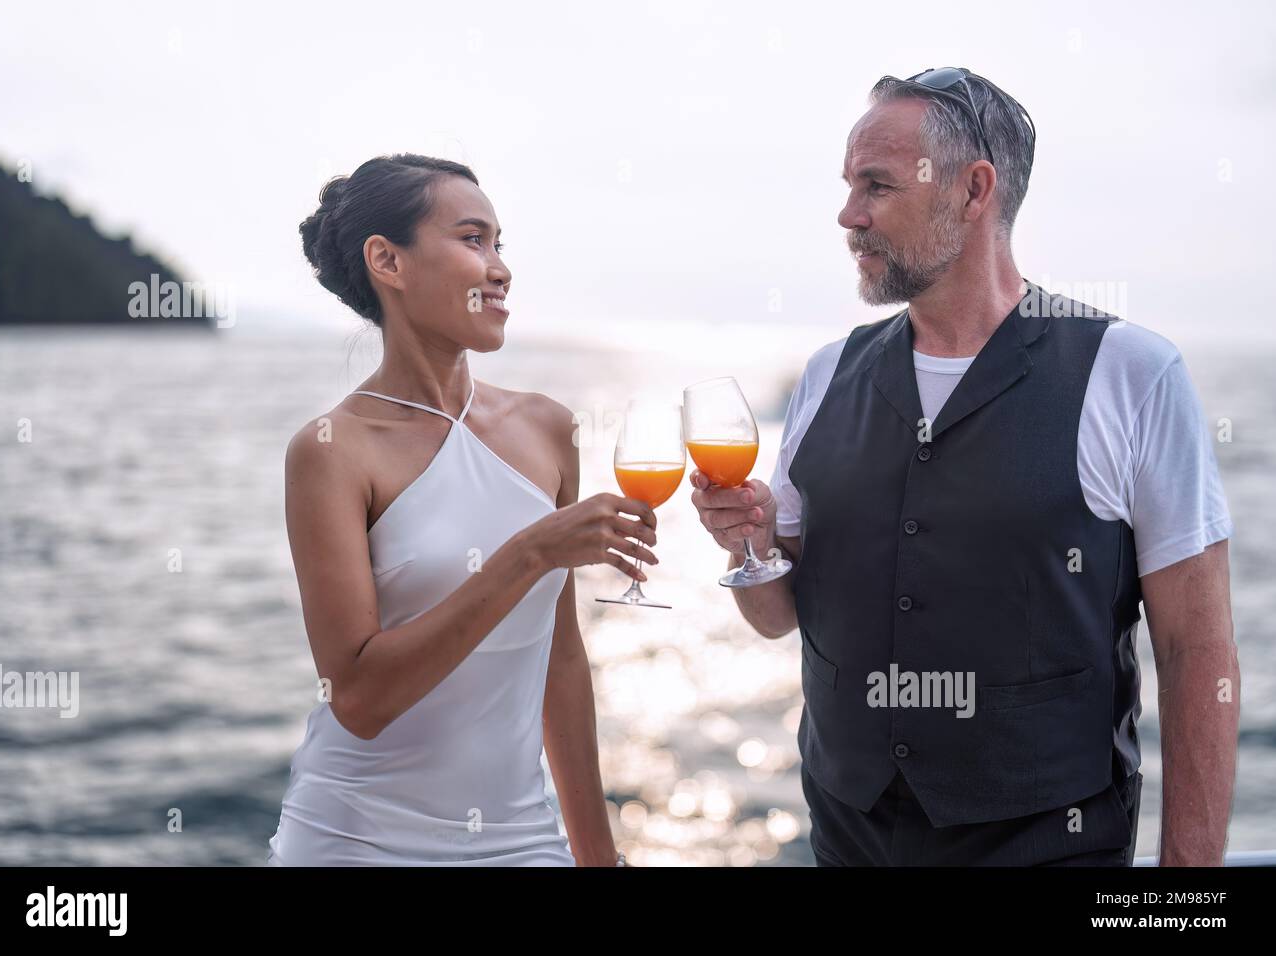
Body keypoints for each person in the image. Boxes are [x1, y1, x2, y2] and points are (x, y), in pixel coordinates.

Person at [691, 69, 1239, 866]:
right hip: (848, 840)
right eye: (849, 186)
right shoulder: (825, 375)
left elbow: (1197, 652)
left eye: (875, 186)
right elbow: (779, 616)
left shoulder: (1131, 373)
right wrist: (747, 544)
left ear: (974, 190)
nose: (848, 216)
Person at [266, 153, 654, 865]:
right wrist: (532, 552)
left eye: (500, 244)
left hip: (522, 838)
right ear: (388, 260)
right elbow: (359, 698)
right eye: (472, 239)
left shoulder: (548, 429)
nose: (499, 267)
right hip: (357, 838)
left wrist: (596, 854)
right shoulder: (331, 451)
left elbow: (560, 662)